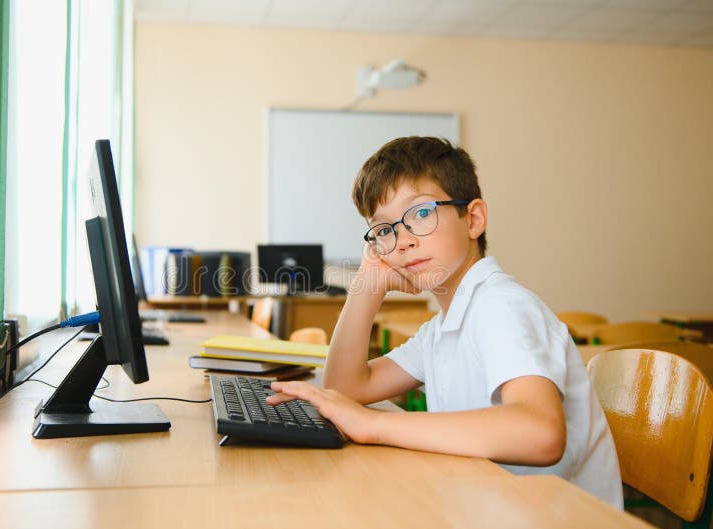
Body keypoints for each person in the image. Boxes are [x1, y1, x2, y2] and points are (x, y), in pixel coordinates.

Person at [267, 136, 623, 507]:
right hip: (489, 506)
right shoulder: (439, 329)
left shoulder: (500, 305)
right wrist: (368, 282)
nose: (401, 241)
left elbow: (540, 432)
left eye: (420, 213)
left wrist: (373, 425)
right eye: (384, 230)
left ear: (473, 219)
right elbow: (345, 387)